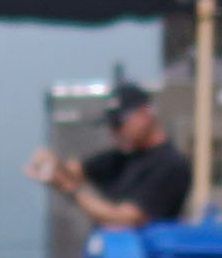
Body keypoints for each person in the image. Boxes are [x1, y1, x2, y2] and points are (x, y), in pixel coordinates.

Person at [29, 77, 194, 235]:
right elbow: (74, 171)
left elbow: (125, 219)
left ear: (144, 114)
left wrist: (71, 190)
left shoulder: (170, 165)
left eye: (119, 124)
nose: (114, 132)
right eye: (111, 125)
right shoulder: (121, 158)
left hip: (145, 252)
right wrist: (52, 164)